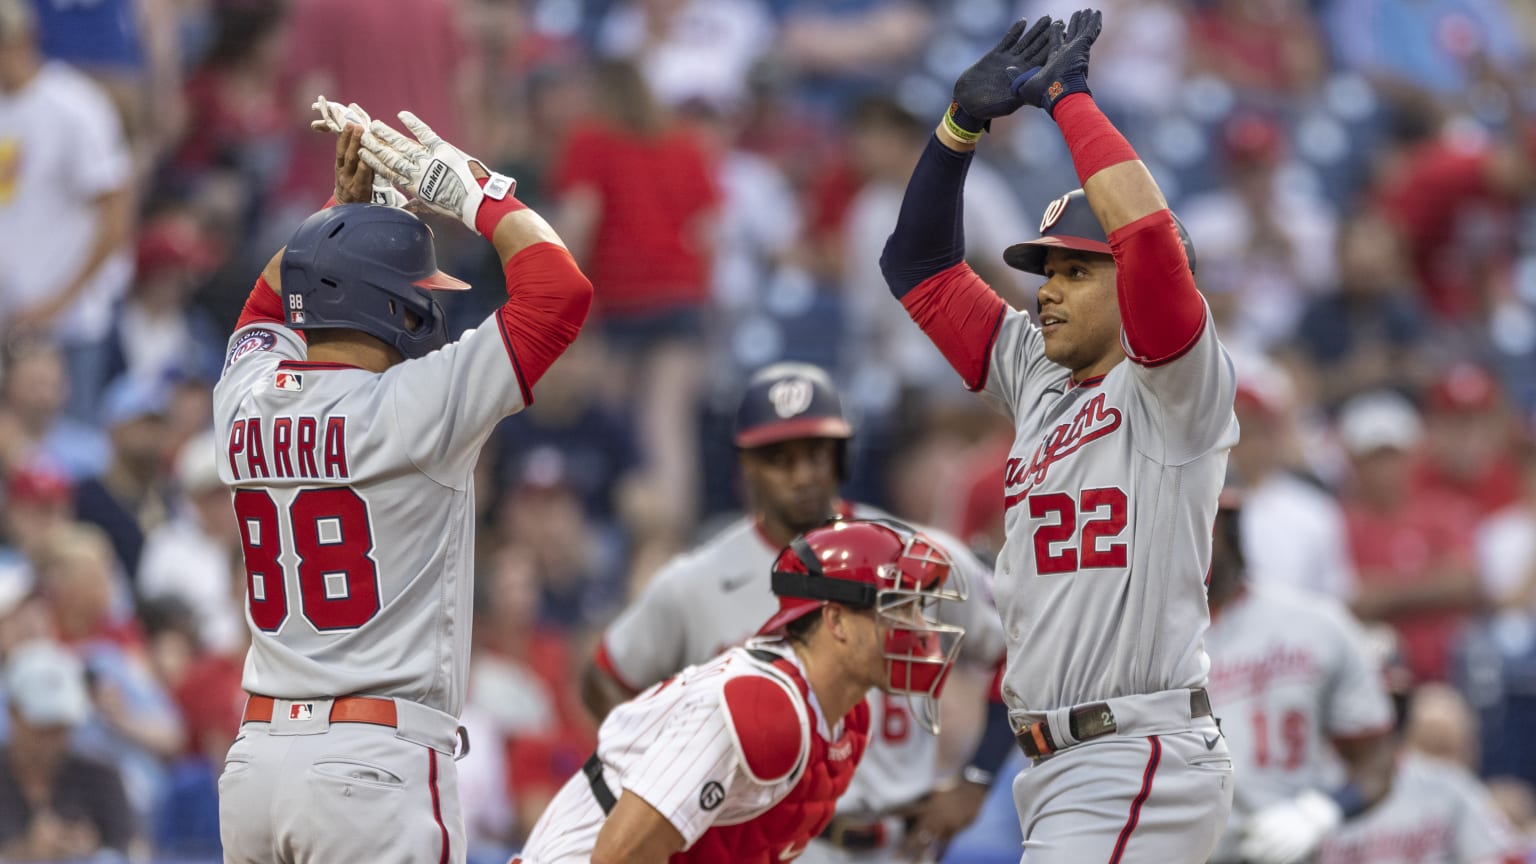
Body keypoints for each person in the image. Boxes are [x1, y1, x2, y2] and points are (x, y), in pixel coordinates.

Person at [878, 11, 1237, 861]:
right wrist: (956, 131)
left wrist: (1068, 99)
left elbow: (1147, 238)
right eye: (1046, 270)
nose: (1047, 289)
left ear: (1135, 286)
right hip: (1059, 765)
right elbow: (918, 267)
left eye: (1078, 269)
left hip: (1131, 749)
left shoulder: (1178, 385)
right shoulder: (1038, 373)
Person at [214, 99, 592, 864]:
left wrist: (334, 220)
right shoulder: (420, 407)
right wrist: (476, 193)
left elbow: (267, 306)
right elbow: (561, 291)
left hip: (255, 764)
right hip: (371, 766)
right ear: (398, 305)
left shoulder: (242, 401)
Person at [581, 361, 1011, 861]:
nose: (802, 473)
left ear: (842, 455)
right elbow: (606, 676)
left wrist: (976, 780)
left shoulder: (915, 555)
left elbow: (1019, 646)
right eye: (779, 457)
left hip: (900, 843)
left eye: (816, 452)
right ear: (745, 465)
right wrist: (672, 785)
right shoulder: (695, 583)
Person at [518, 518, 965, 864]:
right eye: (899, 608)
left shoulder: (845, 717)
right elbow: (618, 855)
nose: (922, 630)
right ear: (836, 621)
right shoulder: (762, 709)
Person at [1204, 486, 1397, 864]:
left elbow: (1378, 762)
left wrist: (1321, 810)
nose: (1189, 537)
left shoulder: (1316, 624)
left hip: (1282, 850)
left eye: (1205, 521)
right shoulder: (1122, 639)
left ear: (1232, 527)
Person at [0, 639, 136, 860]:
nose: (51, 741)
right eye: (42, 727)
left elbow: (131, 849)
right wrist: (26, 853)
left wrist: (92, 853)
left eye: (61, 728)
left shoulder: (101, 776)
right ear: (14, 714)